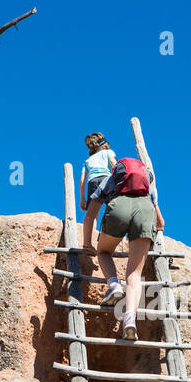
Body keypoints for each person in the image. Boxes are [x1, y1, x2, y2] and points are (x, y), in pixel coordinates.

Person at [78, 134, 165, 341]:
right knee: (134, 275)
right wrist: (155, 229)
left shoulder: (111, 179)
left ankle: (114, 285)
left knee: (104, 251)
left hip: (119, 207)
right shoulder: (147, 186)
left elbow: (90, 213)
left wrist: (87, 243)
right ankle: (130, 320)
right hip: (145, 211)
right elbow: (160, 221)